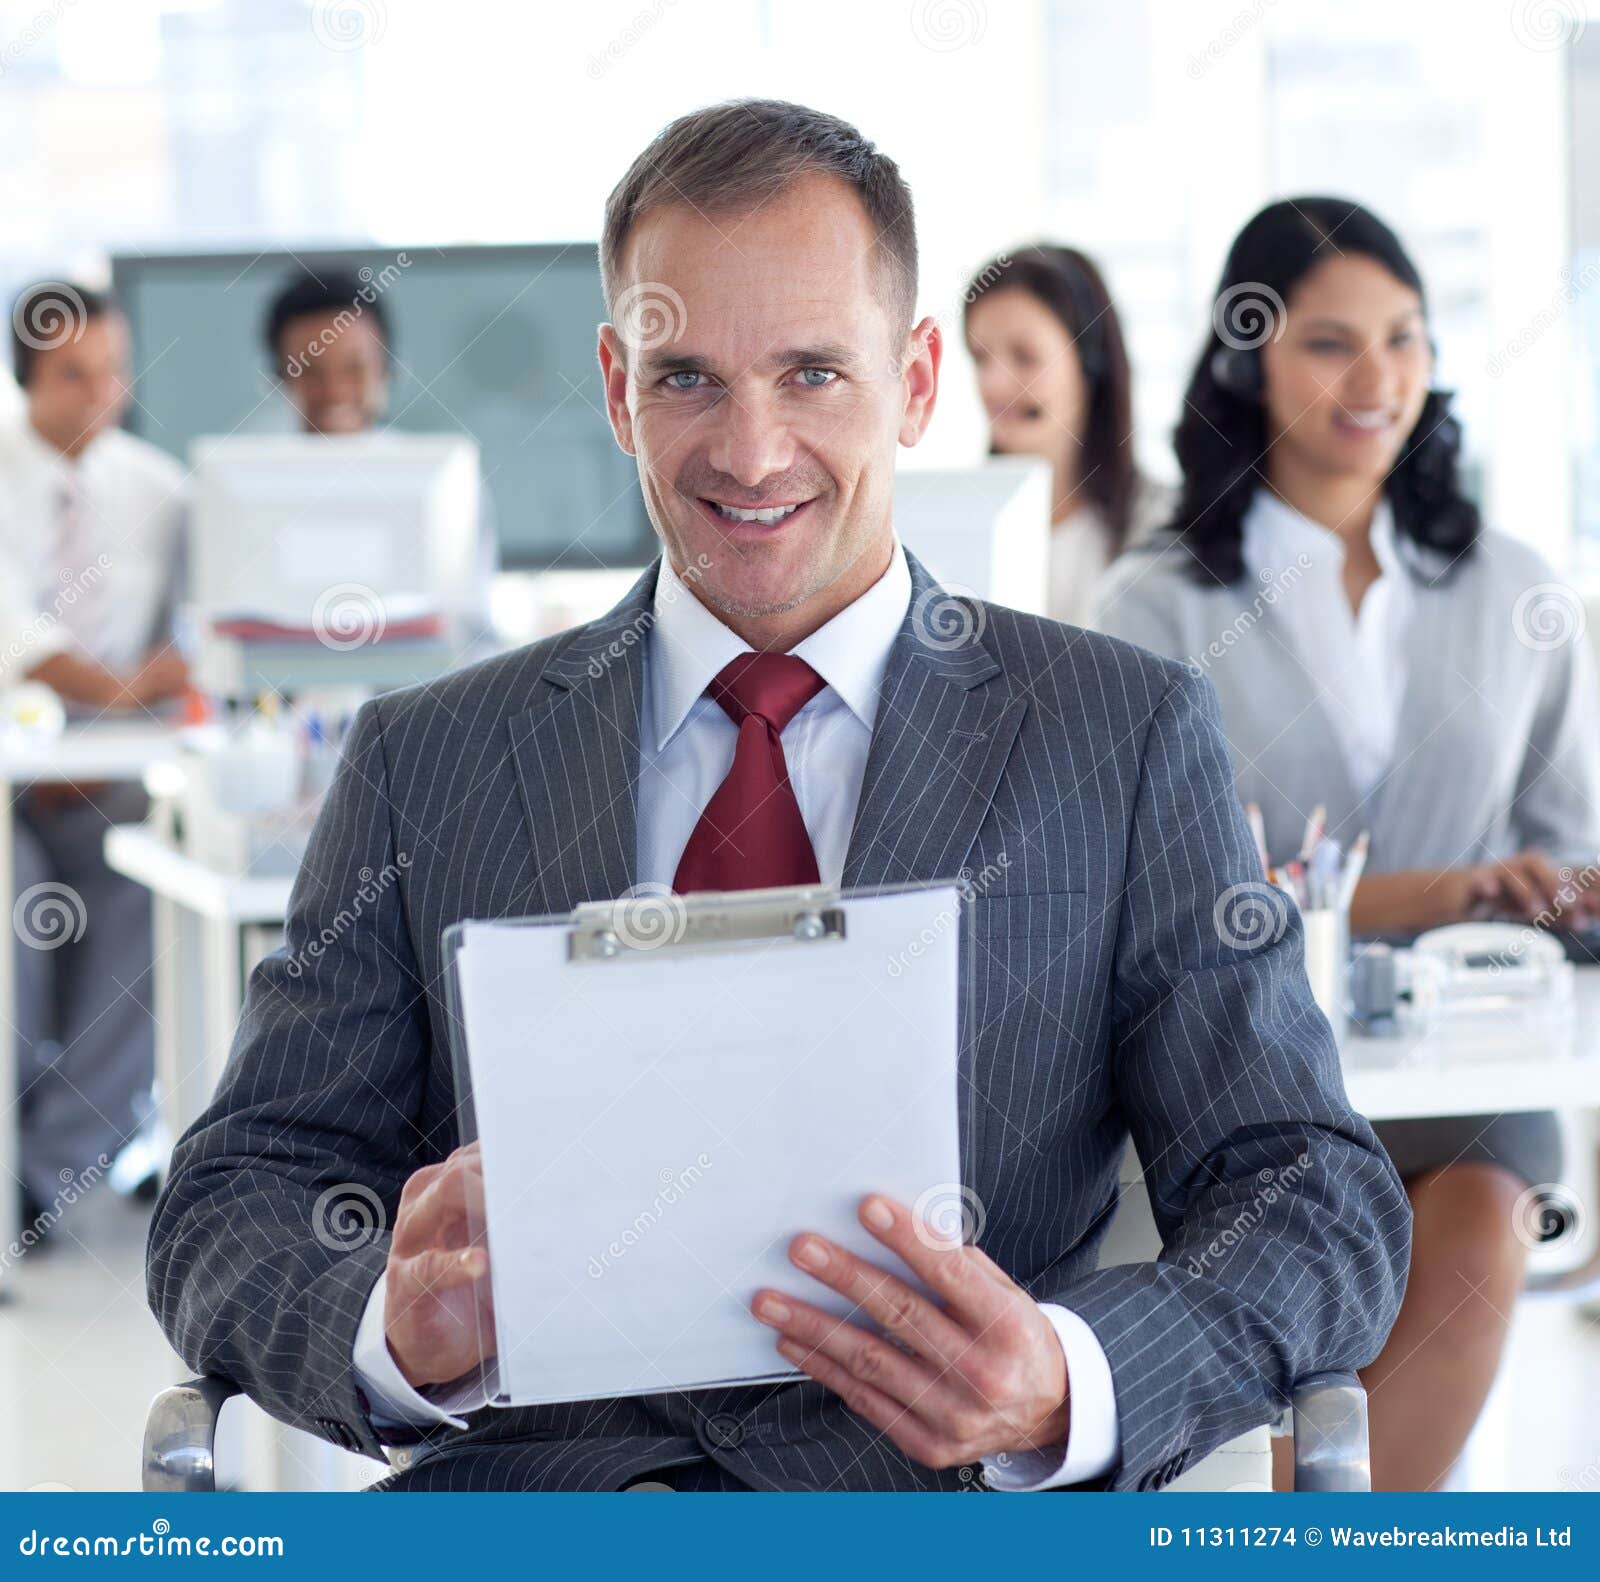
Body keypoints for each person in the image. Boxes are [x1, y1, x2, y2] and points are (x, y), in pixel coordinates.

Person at [149, 103, 1409, 1493]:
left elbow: (1312, 1193)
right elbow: (233, 1191)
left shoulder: (1119, 733)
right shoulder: (426, 757)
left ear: (918, 382)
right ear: (619, 388)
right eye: (689, 378)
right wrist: (392, 1326)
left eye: (813, 372)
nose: (751, 454)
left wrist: (1066, 1373)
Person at [1094, 197, 1600, 1491]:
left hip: (1460, 1069)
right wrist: (1442, 890)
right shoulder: (1152, 604)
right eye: (1329, 342)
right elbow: (1152, 899)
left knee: (1488, 1212)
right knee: (1276, 1275)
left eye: (1405, 338)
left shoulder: (1514, 588)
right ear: (1246, 359)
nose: (1378, 379)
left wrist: (1559, 896)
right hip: (1242, 1066)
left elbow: (1571, 848)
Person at [0, 281, 188, 1224]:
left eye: (113, 371)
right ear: (26, 376)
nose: (102, 394)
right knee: (16, 927)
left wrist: (137, 708)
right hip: (10, 793)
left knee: (155, 901)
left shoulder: (158, 490)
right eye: (75, 376)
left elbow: (190, 641)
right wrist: (127, 691)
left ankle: (51, 1169)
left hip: (109, 781)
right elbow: (20, 640)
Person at [262, 270, 501, 656]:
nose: (336, 390)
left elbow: (472, 630)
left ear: (388, 369)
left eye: (355, 368)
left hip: (419, 698)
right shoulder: (248, 485)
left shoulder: (445, 484)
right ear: (280, 379)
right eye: (310, 370)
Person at [962, 245, 1165, 625]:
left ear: (1089, 361)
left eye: (1025, 356)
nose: (992, 384)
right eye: (980, 358)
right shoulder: (962, 521)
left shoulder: (1162, 525)